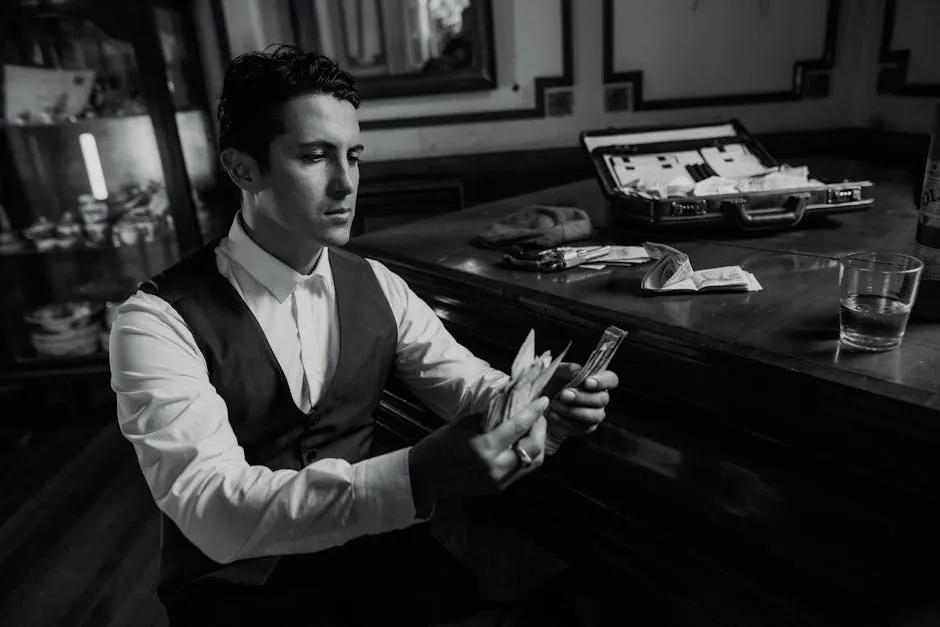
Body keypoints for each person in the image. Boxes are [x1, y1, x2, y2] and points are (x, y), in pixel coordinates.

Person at [109, 44, 621, 627]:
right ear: (242, 169)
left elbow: (465, 382)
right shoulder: (154, 321)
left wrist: (539, 400)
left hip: (375, 554)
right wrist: (415, 474)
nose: (346, 183)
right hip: (237, 583)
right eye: (315, 156)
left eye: (353, 156)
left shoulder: (377, 283)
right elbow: (212, 507)